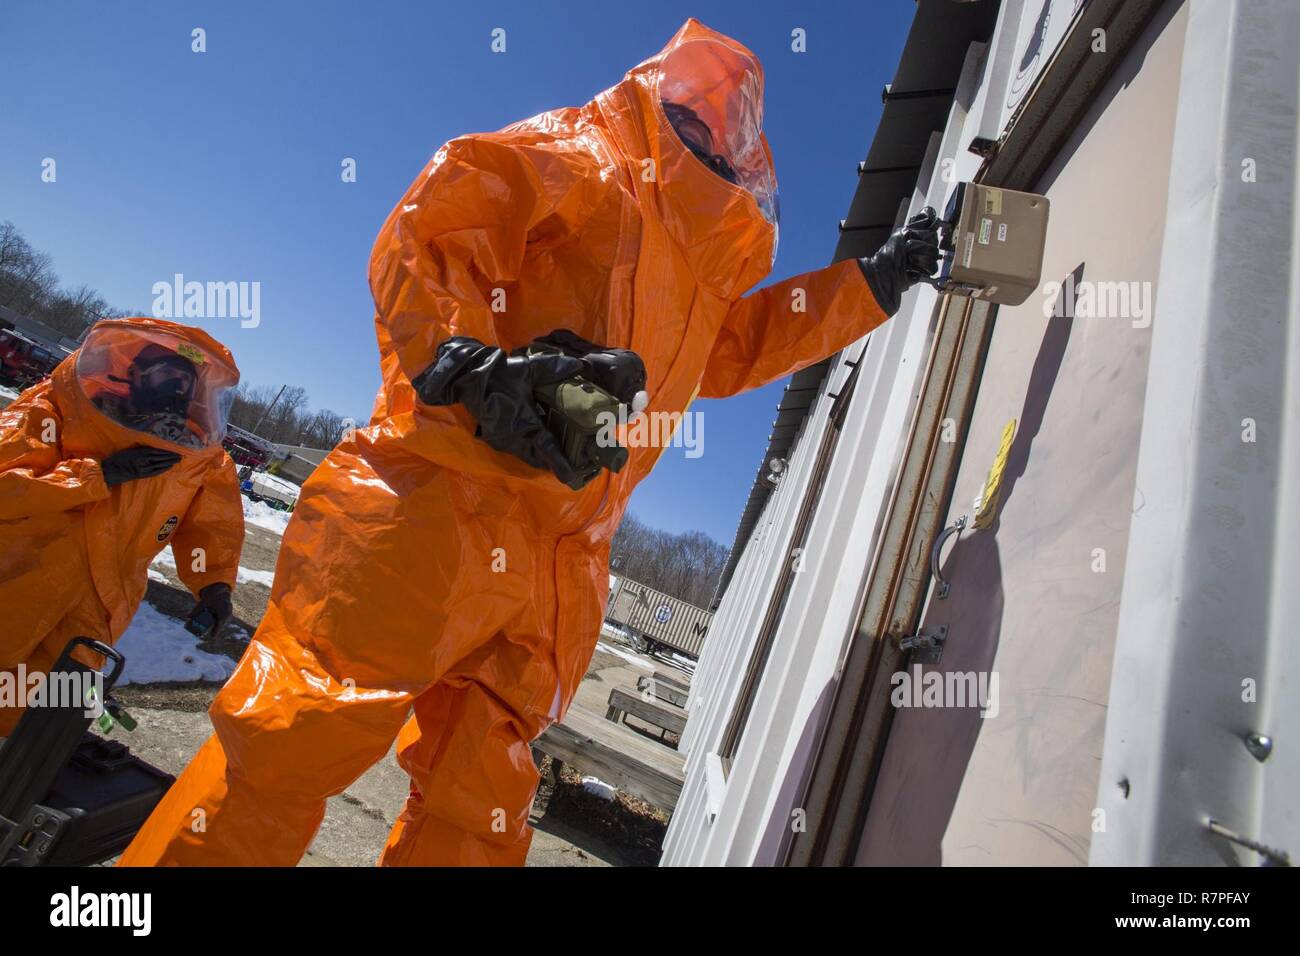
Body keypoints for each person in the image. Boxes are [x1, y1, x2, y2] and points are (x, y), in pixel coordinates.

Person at [121, 18, 939, 866]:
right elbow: (432, 228)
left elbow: (738, 348)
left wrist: (874, 282)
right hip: (433, 504)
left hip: (562, 568)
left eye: (729, 131)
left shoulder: (699, 276)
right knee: (287, 744)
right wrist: (466, 362)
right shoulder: (587, 161)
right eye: (699, 115)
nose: (715, 139)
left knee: (479, 814)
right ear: (665, 101)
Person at [0, 317, 244, 734]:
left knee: (44, 720)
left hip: (99, 610)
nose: (177, 390)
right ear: (132, 372)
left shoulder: (199, 455)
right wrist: (96, 475)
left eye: (186, 381)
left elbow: (211, 526)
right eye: (166, 374)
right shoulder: (55, 408)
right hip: (19, 584)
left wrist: (215, 586)